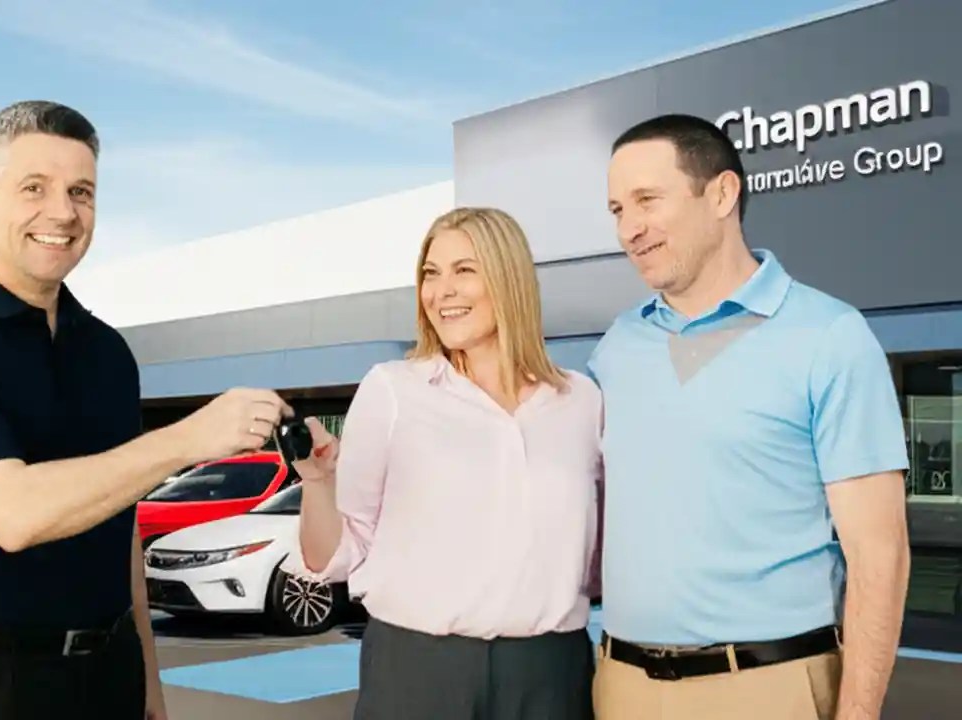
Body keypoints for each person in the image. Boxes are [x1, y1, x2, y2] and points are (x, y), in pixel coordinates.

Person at [0, 100, 292, 720]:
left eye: (81, 191)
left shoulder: (106, 352)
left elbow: (120, 524)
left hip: (108, 674)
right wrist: (189, 439)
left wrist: (147, 683)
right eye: (34, 188)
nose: (63, 212)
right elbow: (13, 513)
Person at [588, 113, 911, 720]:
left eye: (648, 200)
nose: (630, 228)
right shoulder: (617, 346)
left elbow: (880, 555)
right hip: (622, 687)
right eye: (617, 210)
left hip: (768, 688)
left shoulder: (830, 336)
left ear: (721, 194)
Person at [287, 207, 604, 719]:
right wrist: (318, 484)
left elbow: (598, 554)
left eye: (464, 270)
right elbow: (334, 556)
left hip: (550, 675)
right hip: (418, 673)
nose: (441, 291)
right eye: (431, 274)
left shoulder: (582, 401)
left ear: (509, 278)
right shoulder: (392, 390)